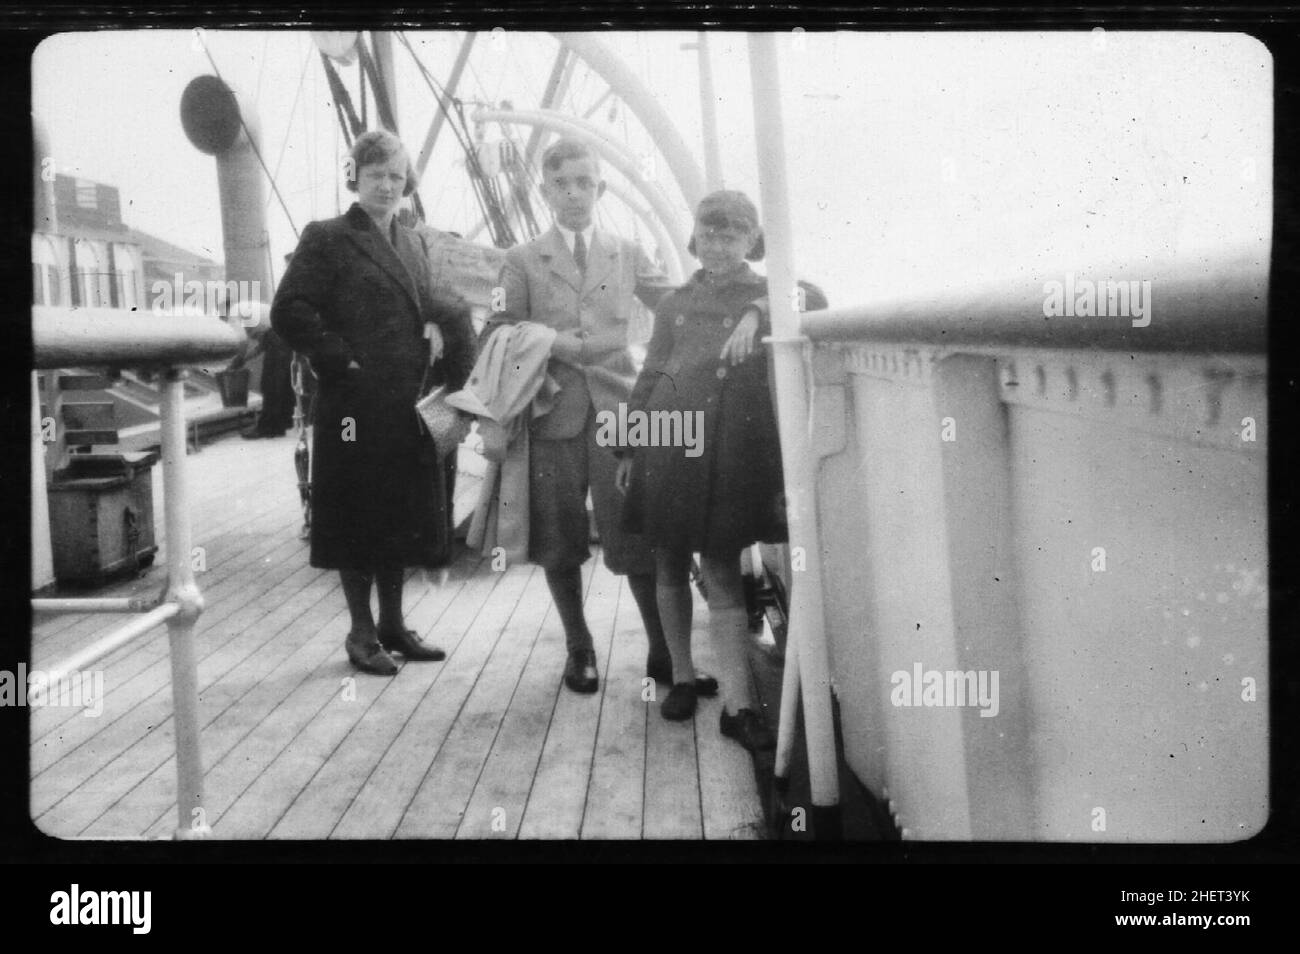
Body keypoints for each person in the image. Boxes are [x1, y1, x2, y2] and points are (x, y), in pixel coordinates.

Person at [488, 138, 715, 697]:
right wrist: (552, 341)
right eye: (561, 183)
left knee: (635, 531)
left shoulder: (626, 251)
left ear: (600, 188)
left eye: (584, 182)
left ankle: (662, 652)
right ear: (544, 191)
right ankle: (579, 648)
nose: (573, 194)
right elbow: (494, 332)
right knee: (559, 539)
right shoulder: (519, 260)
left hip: (619, 411)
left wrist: (753, 304)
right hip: (551, 414)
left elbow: (678, 306)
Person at [615, 190, 826, 752]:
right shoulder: (674, 303)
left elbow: (816, 298)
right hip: (668, 443)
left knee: (722, 568)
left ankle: (737, 704)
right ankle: (684, 679)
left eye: (732, 234)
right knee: (667, 560)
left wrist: (757, 311)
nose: (719, 244)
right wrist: (629, 448)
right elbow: (650, 374)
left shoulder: (770, 291)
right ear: (695, 239)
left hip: (727, 451)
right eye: (710, 233)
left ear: (751, 240)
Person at [271, 129, 476, 676]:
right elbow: (289, 309)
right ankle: (360, 634)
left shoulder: (411, 241)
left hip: (405, 406)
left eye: (395, 176)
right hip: (354, 408)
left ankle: (392, 625)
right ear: (356, 179)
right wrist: (342, 360)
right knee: (357, 518)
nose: (387, 185)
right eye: (375, 175)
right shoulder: (329, 237)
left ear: (407, 182)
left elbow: (438, 300)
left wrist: (437, 322)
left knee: (396, 516)